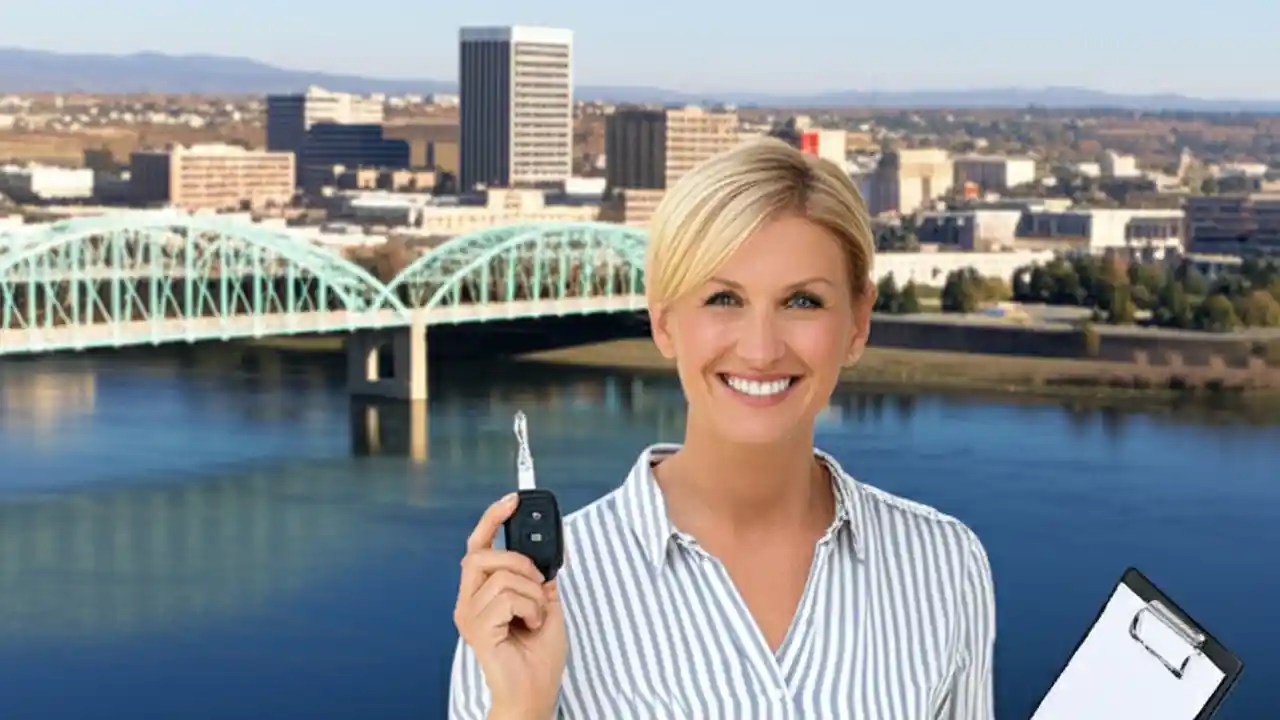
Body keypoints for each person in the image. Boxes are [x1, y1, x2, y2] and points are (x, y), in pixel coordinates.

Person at [448, 137, 997, 719]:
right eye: (723, 298)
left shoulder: (943, 564)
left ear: (858, 323)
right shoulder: (531, 598)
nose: (760, 349)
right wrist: (522, 706)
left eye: (803, 302)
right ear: (664, 323)